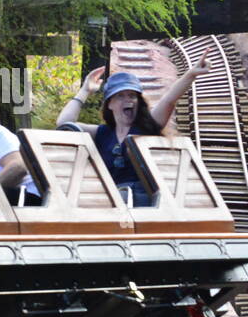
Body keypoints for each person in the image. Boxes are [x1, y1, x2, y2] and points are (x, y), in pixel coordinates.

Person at [55, 55, 208, 206]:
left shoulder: (146, 127)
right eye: (120, 96)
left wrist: (191, 74)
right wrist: (85, 90)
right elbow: (64, 123)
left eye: (132, 95)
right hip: (108, 202)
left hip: (141, 203)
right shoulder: (102, 133)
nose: (128, 100)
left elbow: (169, 100)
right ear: (110, 104)